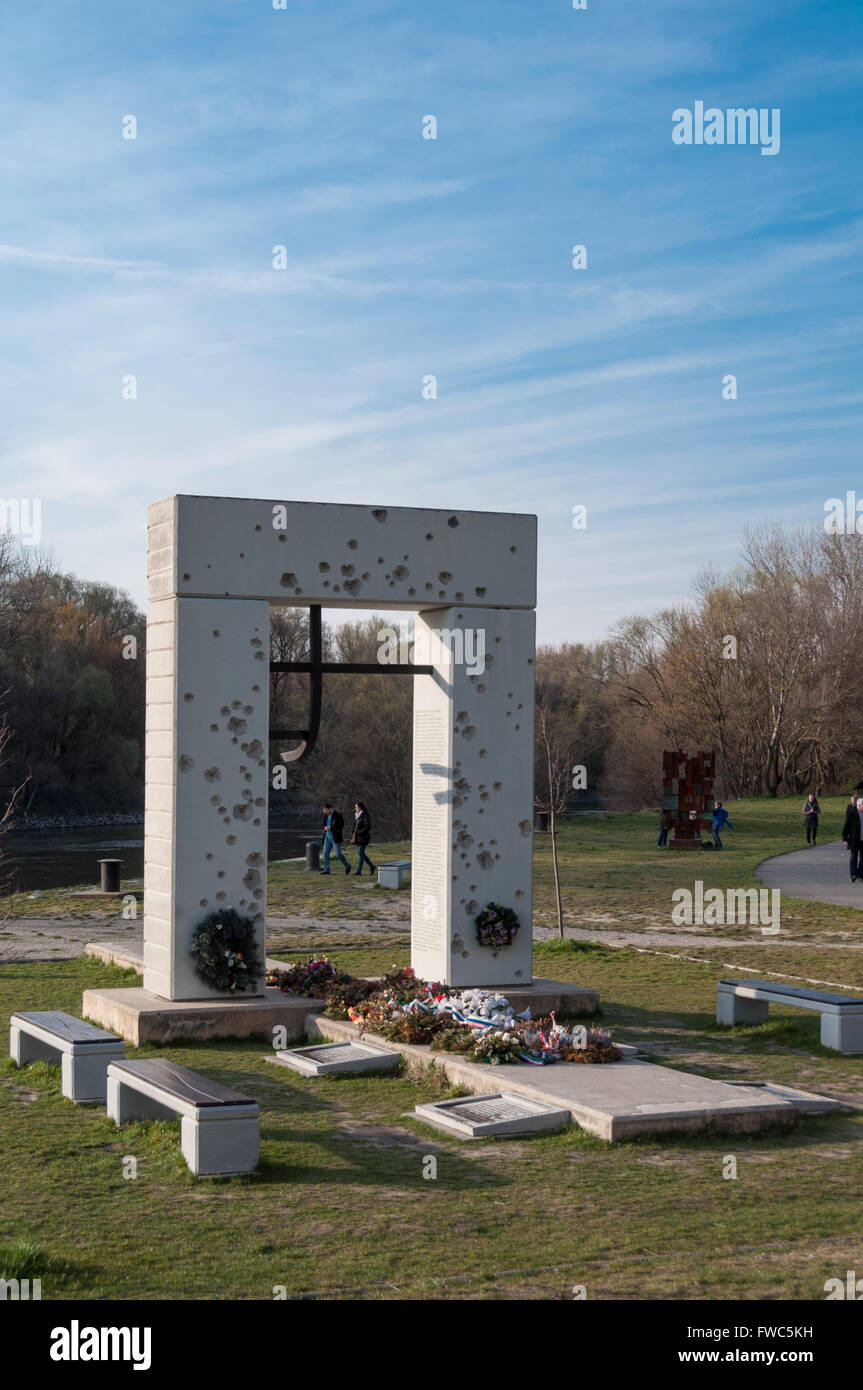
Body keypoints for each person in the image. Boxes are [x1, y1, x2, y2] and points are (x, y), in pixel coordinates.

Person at [320, 801, 351, 875]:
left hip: (335, 837)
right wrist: (325, 827)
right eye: (324, 811)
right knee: (325, 854)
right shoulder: (325, 815)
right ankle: (326, 870)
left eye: (326, 811)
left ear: (330, 809)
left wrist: (331, 828)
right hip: (327, 837)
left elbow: (341, 826)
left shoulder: (338, 815)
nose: (325, 812)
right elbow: (324, 824)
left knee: (338, 854)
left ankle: (347, 866)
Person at [351, 800, 376, 876]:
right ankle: (359, 871)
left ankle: (372, 866)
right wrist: (354, 832)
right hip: (359, 837)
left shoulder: (364, 815)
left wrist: (359, 832)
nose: (355, 809)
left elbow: (368, 826)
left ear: (360, 808)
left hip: (364, 837)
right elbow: (356, 826)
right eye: (355, 807)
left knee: (360, 853)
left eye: (356, 807)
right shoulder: (357, 815)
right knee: (360, 854)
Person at [842, 797, 863, 882]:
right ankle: (853, 874)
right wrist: (845, 838)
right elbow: (846, 826)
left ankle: (861, 874)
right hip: (854, 839)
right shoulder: (852, 813)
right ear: (859, 805)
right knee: (853, 858)